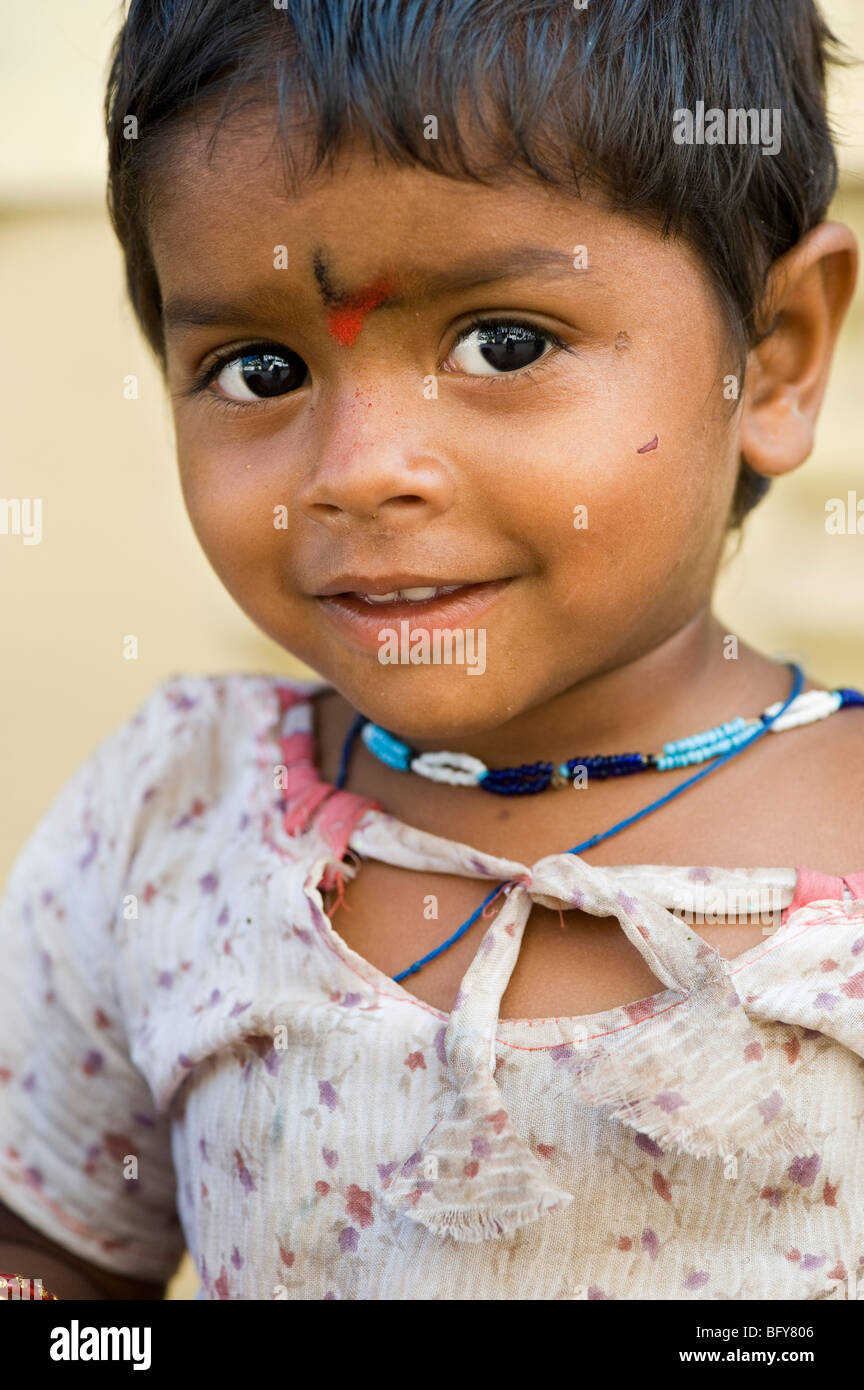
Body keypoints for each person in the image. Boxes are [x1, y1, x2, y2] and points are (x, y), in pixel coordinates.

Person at [1, 0, 863, 1301]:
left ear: (779, 357)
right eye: (256, 367)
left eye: (504, 344)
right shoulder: (170, 816)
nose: (359, 474)